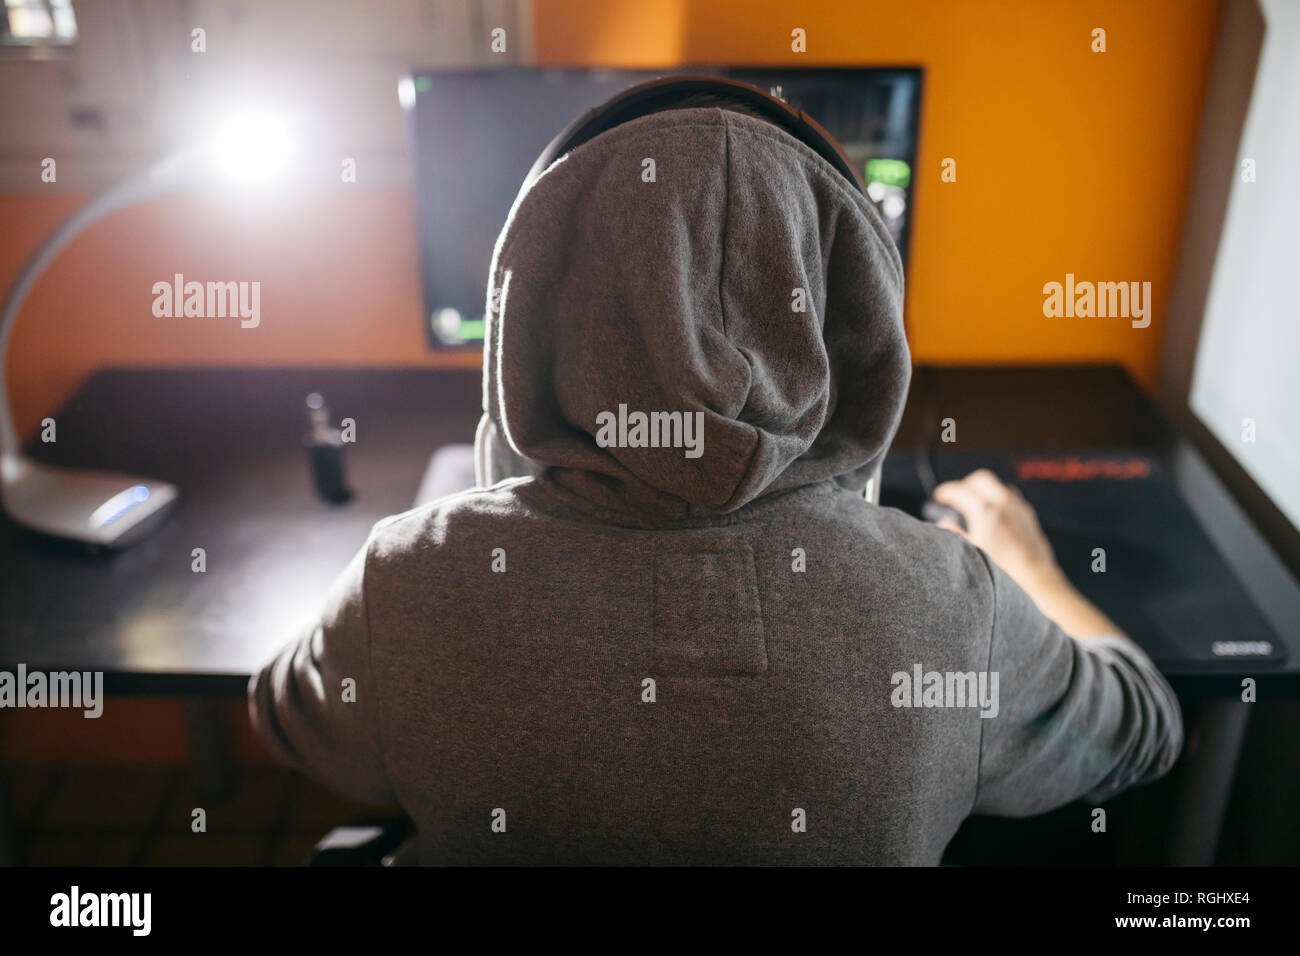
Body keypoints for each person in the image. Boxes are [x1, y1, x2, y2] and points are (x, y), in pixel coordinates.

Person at [248, 90, 1182, 865]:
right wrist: (1031, 572)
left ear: (526, 306)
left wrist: (454, 534)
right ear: (853, 309)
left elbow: (285, 720)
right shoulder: (950, 604)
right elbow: (1141, 729)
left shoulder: (413, 577)